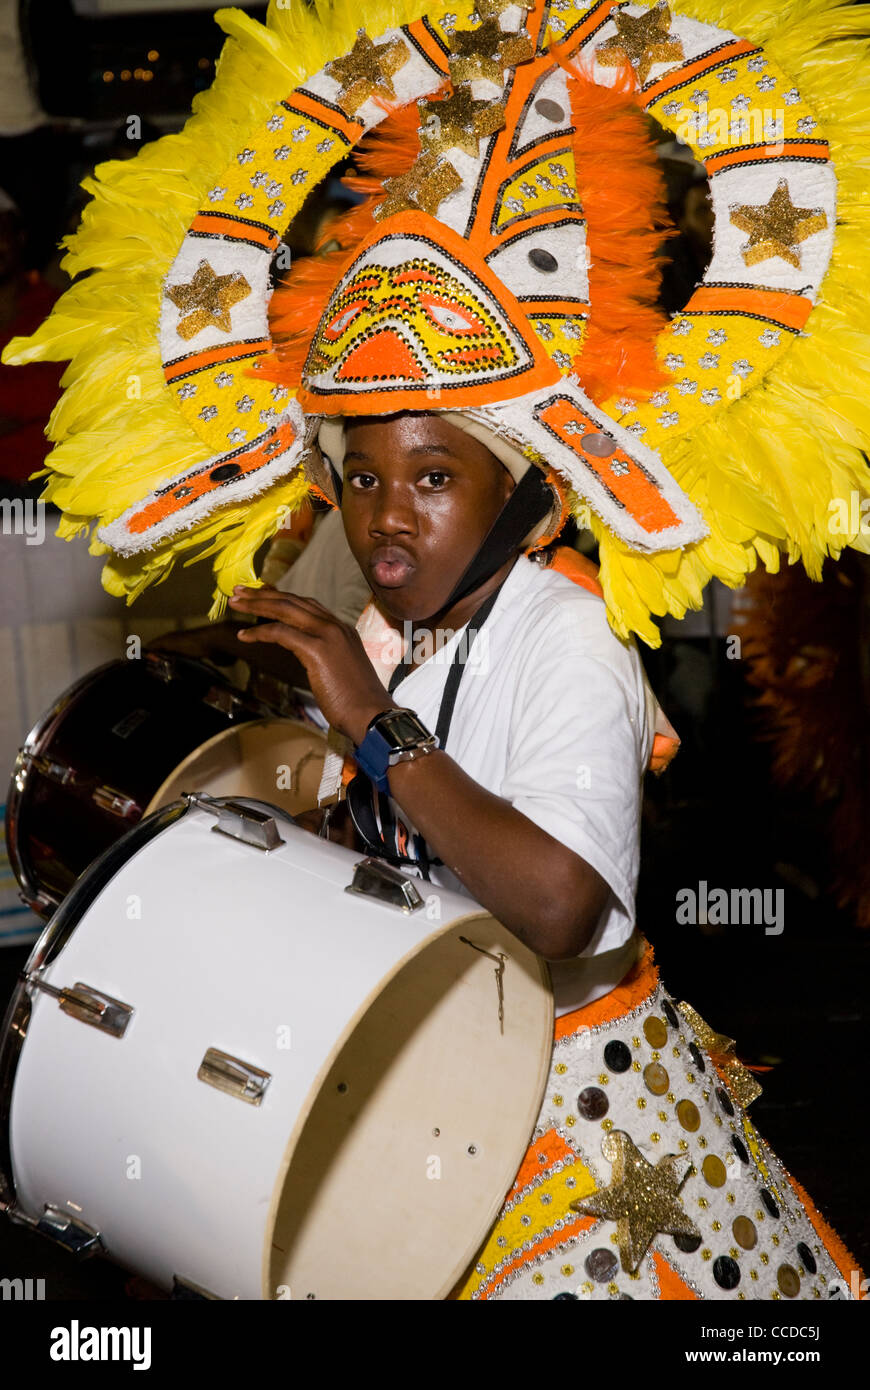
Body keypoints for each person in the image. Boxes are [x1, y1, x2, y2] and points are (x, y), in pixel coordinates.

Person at [4, 0, 868, 1302]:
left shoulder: (564, 639)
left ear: (535, 500)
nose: (382, 513)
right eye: (358, 479)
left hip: (580, 1120)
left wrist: (372, 726)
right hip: (435, 1071)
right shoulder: (389, 636)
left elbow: (561, 902)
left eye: (430, 475)